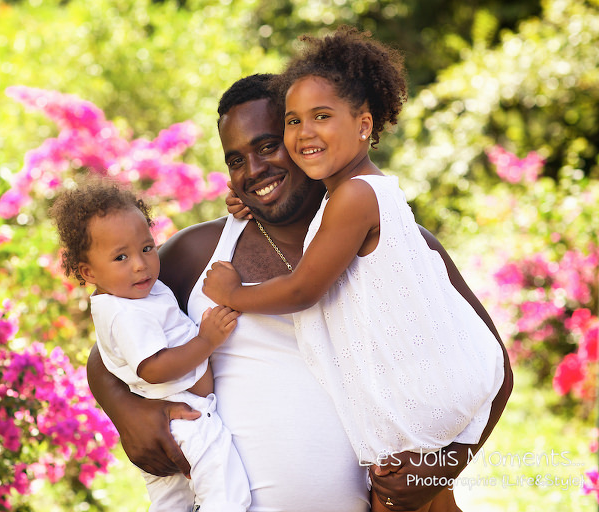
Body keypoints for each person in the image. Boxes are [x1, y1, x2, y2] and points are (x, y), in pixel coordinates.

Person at [87, 73, 513, 512]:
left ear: (304, 143)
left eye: (268, 146)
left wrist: (442, 467)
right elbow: (112, 345)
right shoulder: (200, 252)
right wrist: (128, 413)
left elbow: (492, 366)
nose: (253, 170)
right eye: (236, 160)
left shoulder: (395, 244)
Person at [202, 28, 506, 512]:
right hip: (420, 418)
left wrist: (233, 294)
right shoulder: (359, 197)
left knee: (405, 500)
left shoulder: (356, 197)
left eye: (321, 117)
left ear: (364, 125)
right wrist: (257, 198)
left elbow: (302, 290)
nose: (304, 133)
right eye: (294, 121)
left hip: (416, 421)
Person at [49, 180, 250, 512]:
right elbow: (153, 368)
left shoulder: (134, 293)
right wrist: (206, 341)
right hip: (184, 420)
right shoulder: (125, 312)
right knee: (227, 496)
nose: (140, 264)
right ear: (89, 271)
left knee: (171, 504)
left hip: (175, 420)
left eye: (146, 248)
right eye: (121, 257)